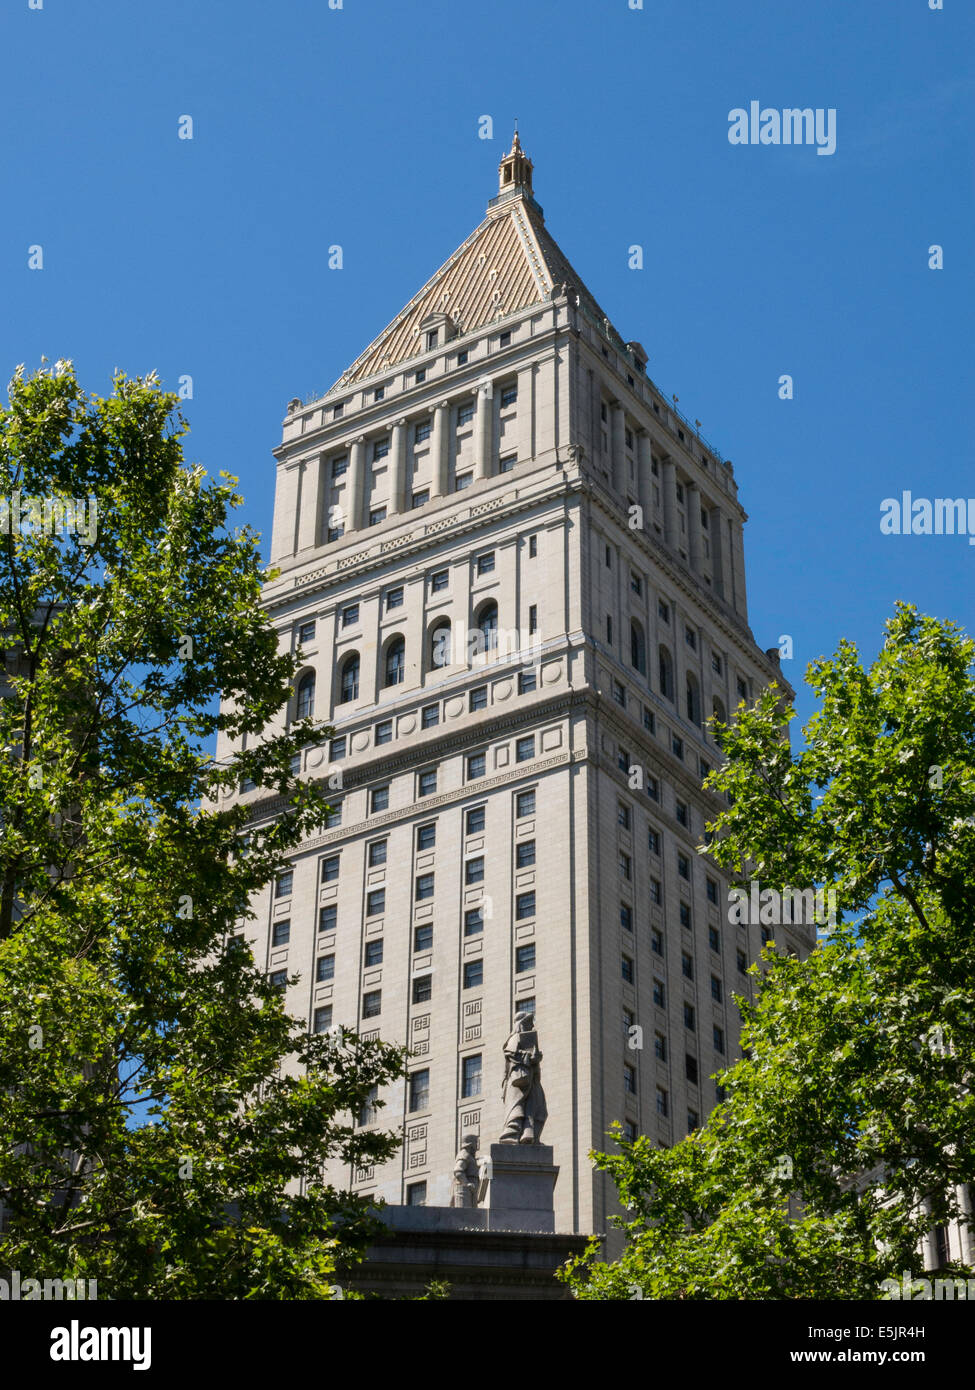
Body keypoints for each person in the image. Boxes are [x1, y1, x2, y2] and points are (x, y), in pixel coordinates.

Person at [499, 1011, 547, 1144]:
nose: (532, 1026)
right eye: (529, 1022)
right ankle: (512, 1136)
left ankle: (529, 1135)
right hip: (518, 1082)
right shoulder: (515, 1038)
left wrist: (536, 1058)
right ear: (522, 1024)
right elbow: (510, 1053)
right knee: (518, 1110)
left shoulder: (525, 1039)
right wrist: (528, 1056)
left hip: (530, 1081)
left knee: (539, 1109)